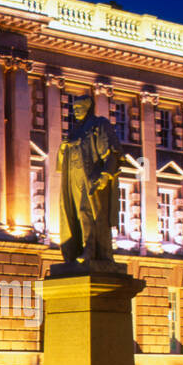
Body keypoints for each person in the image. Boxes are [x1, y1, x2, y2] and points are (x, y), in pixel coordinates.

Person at [58, 94, 122, 265]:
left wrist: (104, 175)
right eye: (75, 109)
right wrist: (64, 147)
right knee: (73, 214)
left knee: (87, 213)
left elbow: (111, 153)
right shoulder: (74, 131)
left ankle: (91, 250)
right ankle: (75, 250)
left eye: (80, 108)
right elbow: (60, 164)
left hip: (90, 179)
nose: (76, 112)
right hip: (72, 179)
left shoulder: (99, 125)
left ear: (88, 108)